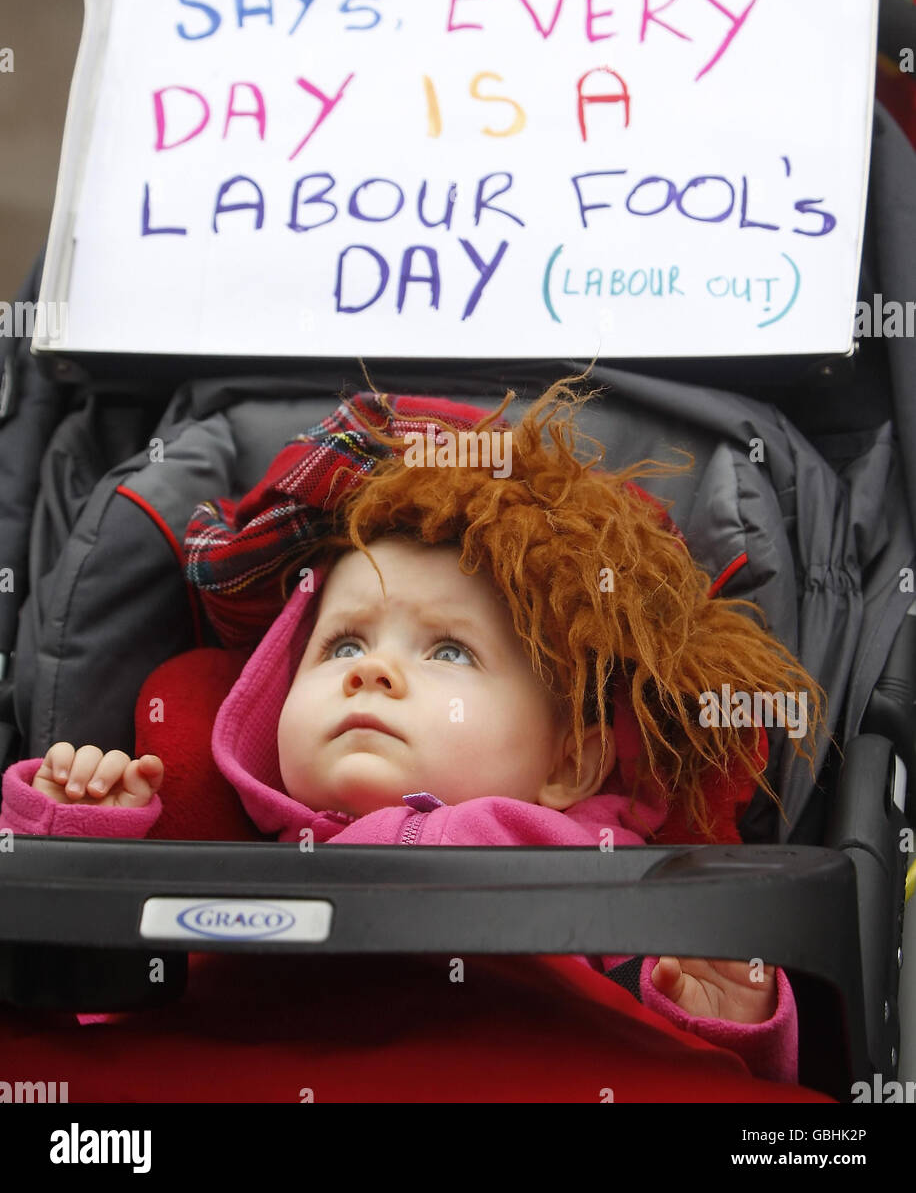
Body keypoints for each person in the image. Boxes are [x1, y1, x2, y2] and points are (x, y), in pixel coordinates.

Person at [0, 375, 826, 1083]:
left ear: (570, 761)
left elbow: (702, 1070)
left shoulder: (607, 879)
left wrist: (726, 1012)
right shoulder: (220, 856)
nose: (372, 670)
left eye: (451, 652)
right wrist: (77, 826)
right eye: (344, 643)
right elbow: (96, 1021)